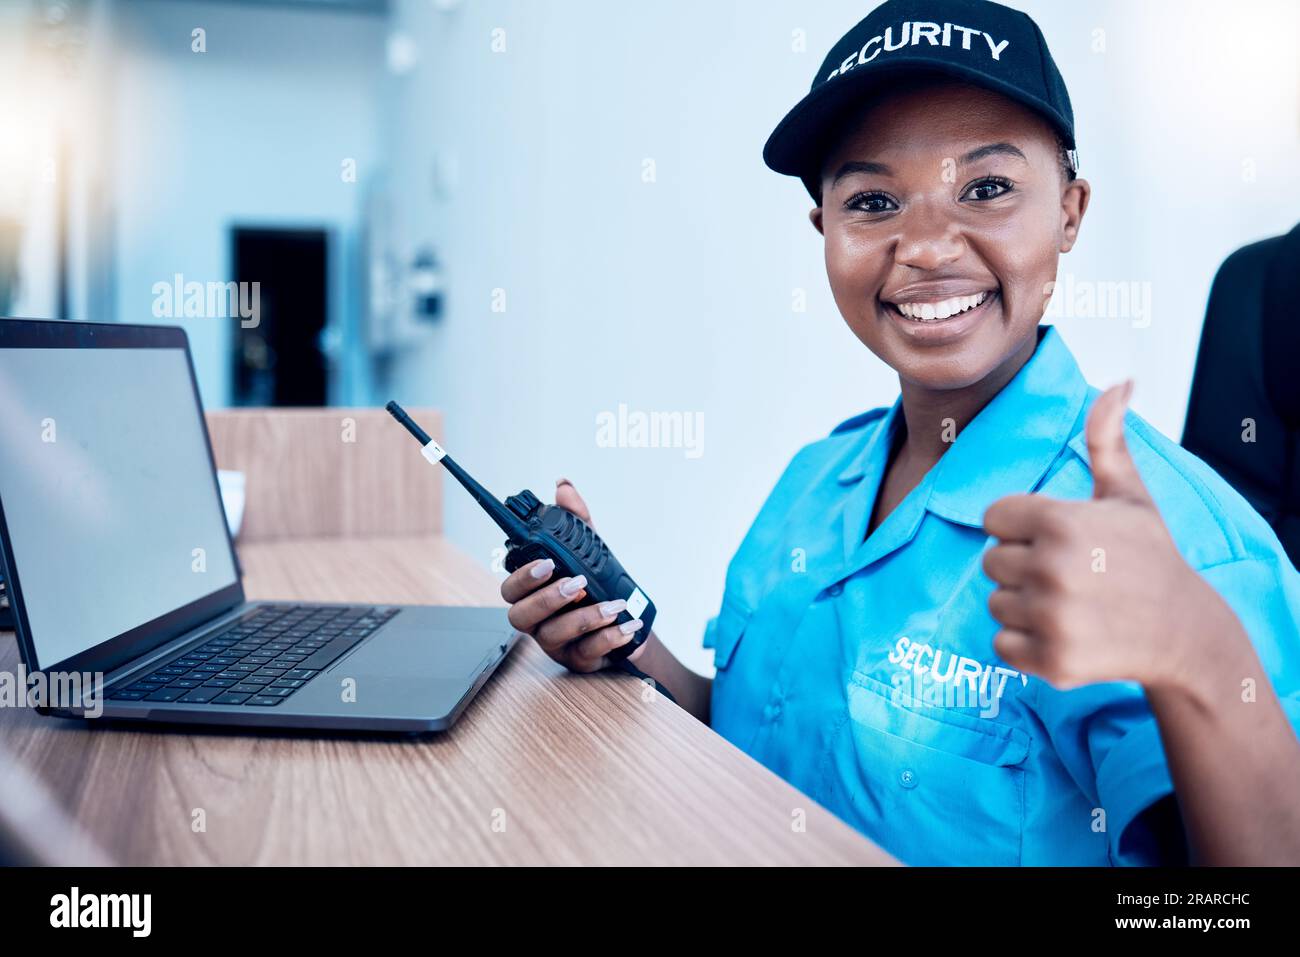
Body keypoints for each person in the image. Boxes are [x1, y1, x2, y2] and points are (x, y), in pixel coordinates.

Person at [499, 0, 1300, 865]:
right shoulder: (813, 482)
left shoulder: (1181, 547)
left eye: (986, 189)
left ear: (1069, 213)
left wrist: (1205, 655)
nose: (923, 246)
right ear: (825, 233)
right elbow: (754, 752)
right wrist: (626, 643)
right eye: (874, 200)